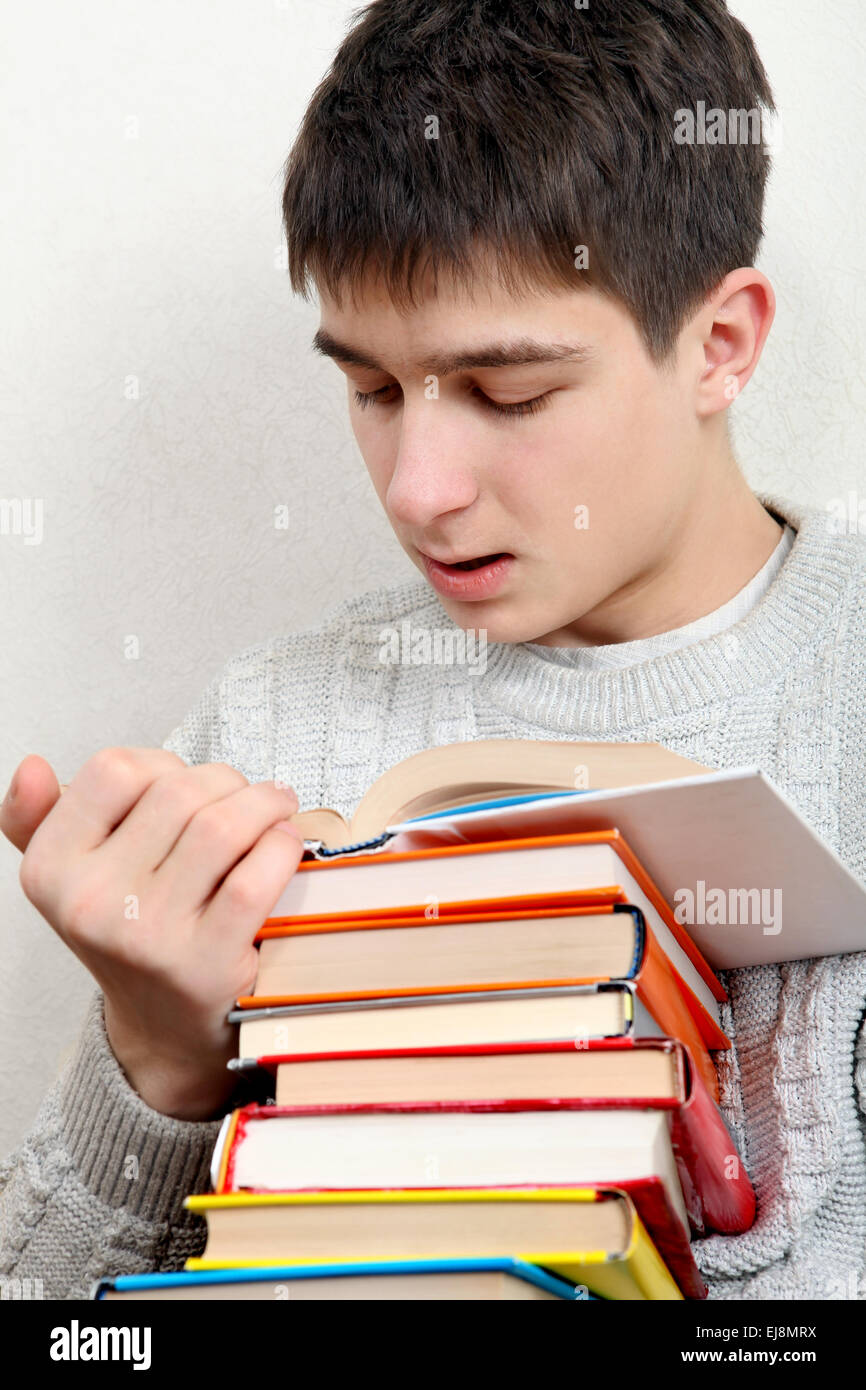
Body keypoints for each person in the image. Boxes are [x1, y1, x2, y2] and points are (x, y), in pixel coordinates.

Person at [2, 0, 865, 1302]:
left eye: (506, 394)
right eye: (369, 386)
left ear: (720, 345)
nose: (417, 488)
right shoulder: (270, 729)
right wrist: (153, 1060)